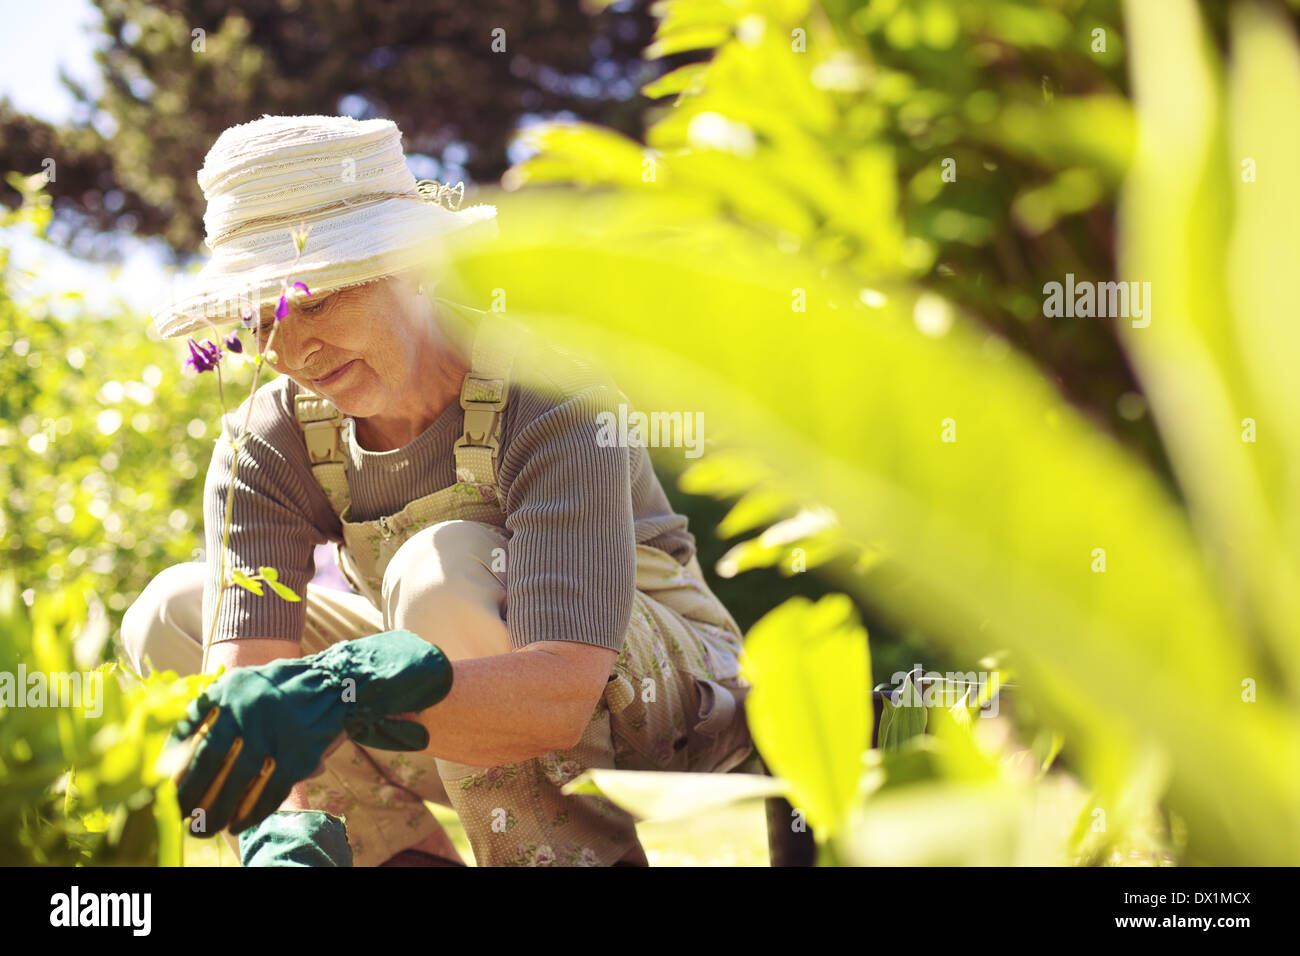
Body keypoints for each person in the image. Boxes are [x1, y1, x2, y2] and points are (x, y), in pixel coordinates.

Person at [122, 114, 755, 867]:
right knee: (174, 611)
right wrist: (277, 816)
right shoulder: (267, 439)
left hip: (655, 707)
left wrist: (339, 694)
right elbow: (248, 690)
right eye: (260, 322)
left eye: (315, 302)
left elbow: (559, 693)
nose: (290, 351)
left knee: (442, 571)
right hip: (450, 716)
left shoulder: (548, 395)